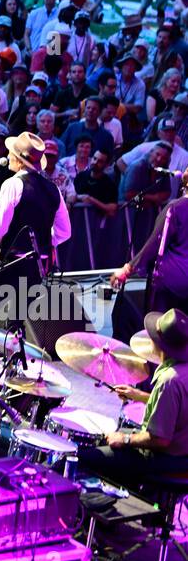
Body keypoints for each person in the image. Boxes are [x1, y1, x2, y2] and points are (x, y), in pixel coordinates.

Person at [0, 132, 71, 395]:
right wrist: (41, 243)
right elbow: (65, 233)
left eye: (11, 153)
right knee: (15, 323)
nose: (7, 156)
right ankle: (15, 383)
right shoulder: (52, 189)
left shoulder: (13, 184)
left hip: (13, 264)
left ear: (18, 159)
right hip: (38, 266)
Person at [79, 308, 188, 481]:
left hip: (169, 458)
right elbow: (178, 409)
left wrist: (125, 439)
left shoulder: (170, 381)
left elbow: (160, 440)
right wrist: (139, 395)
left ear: (158, 343)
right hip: (181, 450)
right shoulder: (181, 372)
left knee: (85, 458)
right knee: (108, 436)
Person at [110, 168, 188, 313]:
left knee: (162, 328)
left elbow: (156, 243)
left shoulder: (175, 208)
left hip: (172, 282)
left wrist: (128, 269)